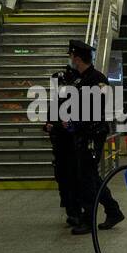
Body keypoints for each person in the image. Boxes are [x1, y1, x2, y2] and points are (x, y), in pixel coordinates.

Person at [66, 39, 125, 235]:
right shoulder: (78, 79)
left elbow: (98, 110)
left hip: (93, 134)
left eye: (72, 56)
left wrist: (78, 123)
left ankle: (88, 218)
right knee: (90, 175)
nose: (71, 59)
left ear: (78, 57)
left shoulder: (97, 79)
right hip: (81, 134)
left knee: (87, 177)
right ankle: (113, 210)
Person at [43, 63, 78, 225]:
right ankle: (70, 208)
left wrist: (56, 126)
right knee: (63, 178)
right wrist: (48, 126)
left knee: (71, 179)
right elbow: (49, 121)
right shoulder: (55, 102)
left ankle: (74, 211)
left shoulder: (72, 102)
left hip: (70, 146)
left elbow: (70, 125)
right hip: (59, 146)